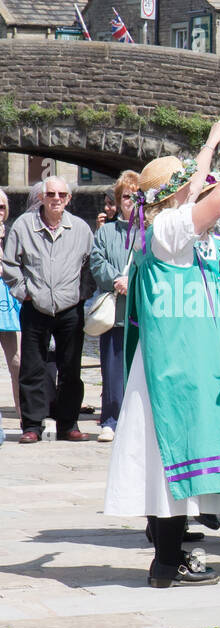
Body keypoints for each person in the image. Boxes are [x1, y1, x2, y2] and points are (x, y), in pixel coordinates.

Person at [103, 108, 220, 587]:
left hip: (186, 363)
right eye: (192, 187)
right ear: (174, 196)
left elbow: (206, 188)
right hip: (175, 368)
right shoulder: (168, 232)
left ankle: (171, 557)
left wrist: (211, 140)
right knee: (171, 462)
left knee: (178, 462)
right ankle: (166, 562)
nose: (205, 192)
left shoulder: (177, 234)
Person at [2, 175, 94, 443]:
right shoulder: (23, 226)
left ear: (69, 199)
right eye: (51, 194)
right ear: (41, 197)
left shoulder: (80, 229)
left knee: (70, 369)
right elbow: (10, 263)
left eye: (61, 195)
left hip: (69, 307)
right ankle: (32, 425)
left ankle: (68, 424)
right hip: (35, 306)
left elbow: (90, 263)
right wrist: (24, 292)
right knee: (32, 368)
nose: (56, 199)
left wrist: (82, 293)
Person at [87, 170, 139, 443]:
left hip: (141, 312)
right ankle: (111, 419)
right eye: (126, 196)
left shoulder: (148, 233)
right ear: (118, 200)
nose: (131, 202)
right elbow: (97, 262)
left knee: (138, 368)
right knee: (112, 367)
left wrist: (133, 281)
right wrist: (117, 280)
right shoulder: (107, 232)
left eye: (136, 196)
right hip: (115, 311)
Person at [0, 192, 22, 436]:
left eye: (2, 207)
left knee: (18, 363)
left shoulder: (15, 233)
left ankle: (25, 418)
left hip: (11, 305)